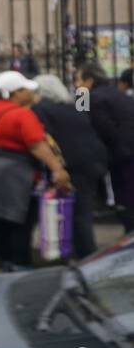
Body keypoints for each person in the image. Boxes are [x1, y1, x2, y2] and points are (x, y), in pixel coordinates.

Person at [0, 71, 70, 270]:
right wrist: (58, 169)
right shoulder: (23, 114)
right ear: (15, 92)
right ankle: (20, 263)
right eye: (26, 89)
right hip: (18, 174)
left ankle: (5, 259)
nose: (31, 93)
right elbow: (37, 146)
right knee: (21, 220)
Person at [33, 74, 106, 258]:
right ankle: (84, 253)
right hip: (93, 160)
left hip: (75, 164)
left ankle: (87, 256)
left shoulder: (42, 108)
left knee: (79, 214)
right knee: (82, 210)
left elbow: (44, 139)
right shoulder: (72, 105)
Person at [75, 61, 134, 231]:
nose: (76, 85)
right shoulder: (116, 93)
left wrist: (80, 93)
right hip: (127, 151)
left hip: (120, 154)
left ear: (90, 81)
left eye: (78, 80)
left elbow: (83, 122)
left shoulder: (92, 97)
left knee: (123, 198)